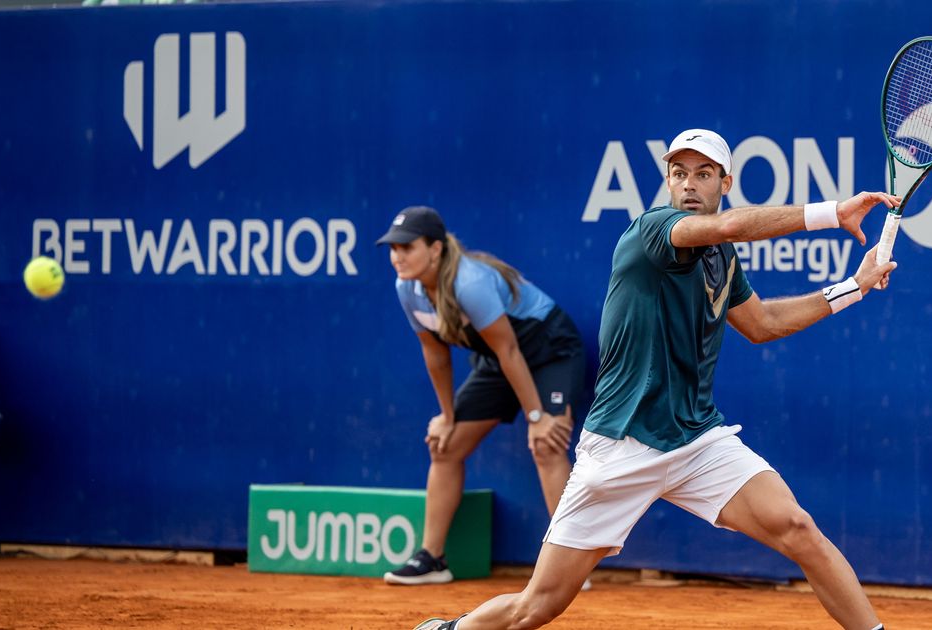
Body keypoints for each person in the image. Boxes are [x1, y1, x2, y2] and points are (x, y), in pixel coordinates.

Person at [414, 129, 901, 630]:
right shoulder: (655, 230)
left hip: (697, 440)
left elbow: (763, 325)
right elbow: (731, 226)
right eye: (679, 173)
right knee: (536, 607)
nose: (690, 184)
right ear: (668, 180)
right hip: (622, 445)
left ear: (725, 181)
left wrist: (853, 287)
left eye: (704, 174)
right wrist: (830, 213)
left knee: (798, 528)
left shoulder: (722, 260)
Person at [377, 206, 586, 586]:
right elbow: (436, 354)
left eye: (407, 247)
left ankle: (568, 566)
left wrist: (537, 418)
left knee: (547, 445)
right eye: (393, 248)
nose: (398, 256)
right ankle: (433, 559)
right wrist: (447, 415)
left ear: (436, 249)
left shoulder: (469, 282)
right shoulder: (406, 289)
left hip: (549, 350)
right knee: (445, 445)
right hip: (498, 360)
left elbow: (510, 351)